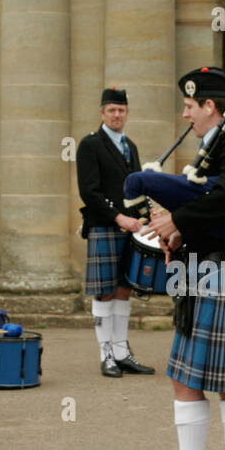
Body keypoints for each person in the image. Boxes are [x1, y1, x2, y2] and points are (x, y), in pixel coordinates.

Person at [130, 66, 225, 450]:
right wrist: (182, 235)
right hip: (200, 268)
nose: (185, 114)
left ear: (210, 106)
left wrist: (179, 221)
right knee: (183, 377)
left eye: (190, 106)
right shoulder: (217, 143)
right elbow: (212, 202)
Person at [75, 86, 155, 377]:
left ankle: (122, 351)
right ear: (102, 113)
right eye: (112, 110)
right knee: (104, 293)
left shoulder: (130, 146)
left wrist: (148, 214)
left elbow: (135, 188)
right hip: (104, 226)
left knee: (124, 290)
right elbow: (89, 192)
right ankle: (105, 354)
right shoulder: (90, 144)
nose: (117, 115)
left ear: (126, 113)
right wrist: (119, 217)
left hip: (131, 229)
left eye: (121, 110)